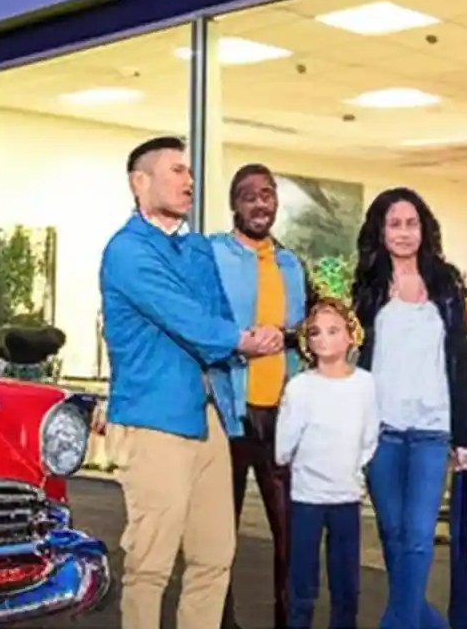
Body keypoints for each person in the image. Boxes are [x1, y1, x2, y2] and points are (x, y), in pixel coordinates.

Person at [100, 136, 283, 629]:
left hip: (210, 420)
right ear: (141, 182)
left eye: (190, 172)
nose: (189, 181)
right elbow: (187, 319)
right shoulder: (127, 251)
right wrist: (245, 339)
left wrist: (240, 336)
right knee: (150, 565)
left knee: (214, 557)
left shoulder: (197, 248)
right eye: (177, 171)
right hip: (154, 422)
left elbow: (215, 313)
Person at [351, 187, 467, 629]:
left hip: (432, 431)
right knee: (393, 538)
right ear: (380, 232)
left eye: (411, 224)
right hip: (381, 431)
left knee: (420, 539)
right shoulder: (367, 287)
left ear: (424, 229)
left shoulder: (446, 286)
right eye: (394, 224)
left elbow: (460, 361)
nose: (404, 233)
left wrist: (465, 438)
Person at [210, 164, 307, 629]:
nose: (260, 203)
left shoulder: (291, 265)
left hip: (280, 414)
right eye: (249, 196)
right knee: (220, 532)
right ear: (235, 204)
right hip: (229, 411)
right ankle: (222, 621)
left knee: (289, 532)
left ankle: (286, 618)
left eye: (267, 194)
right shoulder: (212, 255)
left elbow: (303, 338)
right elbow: (202, 325)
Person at [275, 298, 379, 629]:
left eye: (333, 331)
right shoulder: (300, 387)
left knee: (346, 588)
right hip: (306, 499)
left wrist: (352, 471)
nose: (324, 339)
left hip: (346, 499)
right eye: (316, 332)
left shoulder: (366, 384)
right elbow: (283, 445)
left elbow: (370, 437)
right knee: (302, 586)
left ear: (351, 335)